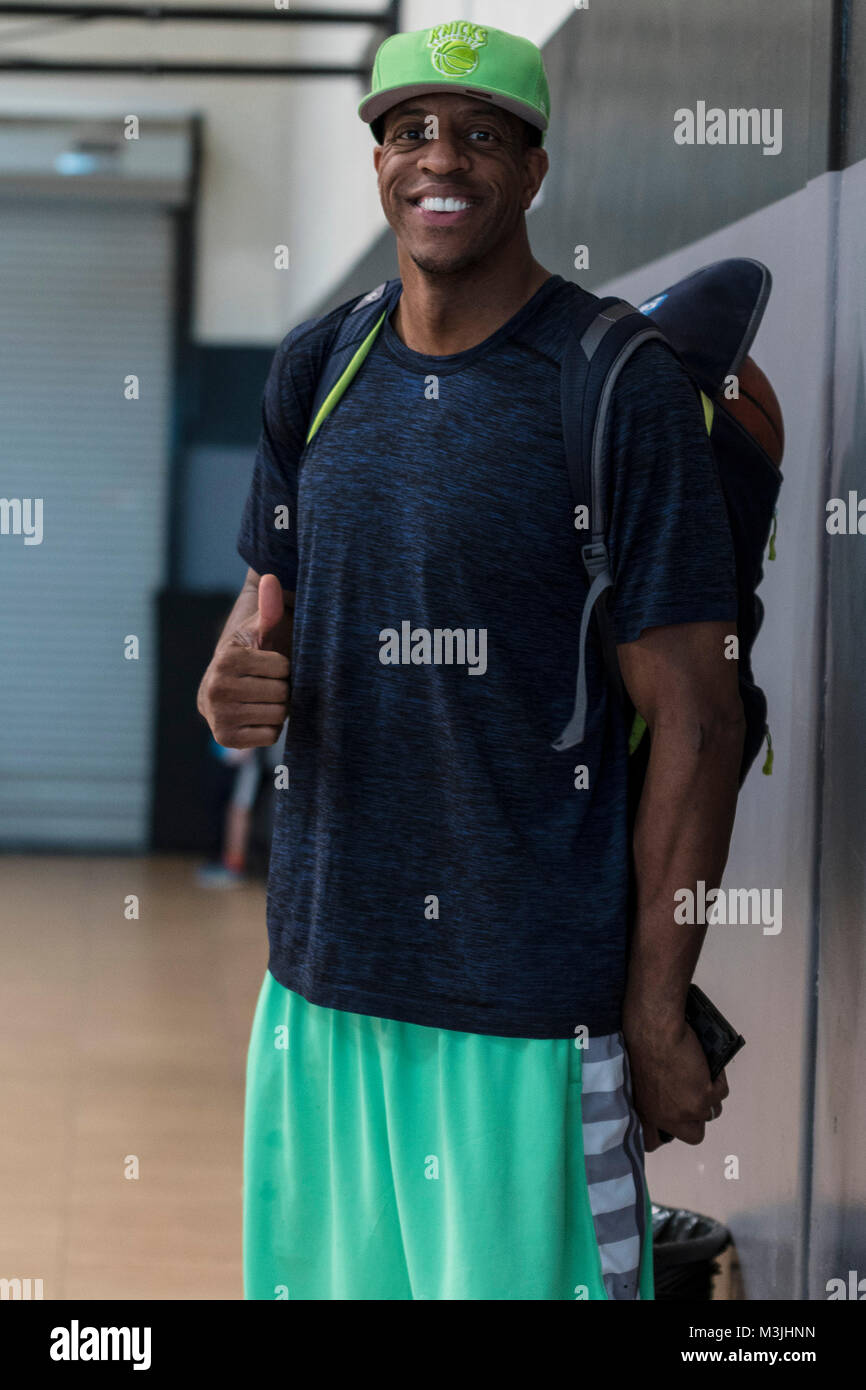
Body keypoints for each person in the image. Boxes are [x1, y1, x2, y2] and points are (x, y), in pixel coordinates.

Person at [197, 20, 743, 1301]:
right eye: (409, 132)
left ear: (534, 168)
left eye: (479, 134)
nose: (439, 158)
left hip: (522, 1015)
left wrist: (656, 1008)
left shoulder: (613, 384)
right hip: (320, 986)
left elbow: (699, 720)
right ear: (380, 161)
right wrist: (229, 681)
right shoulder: (316, 369)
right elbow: (259, 617)